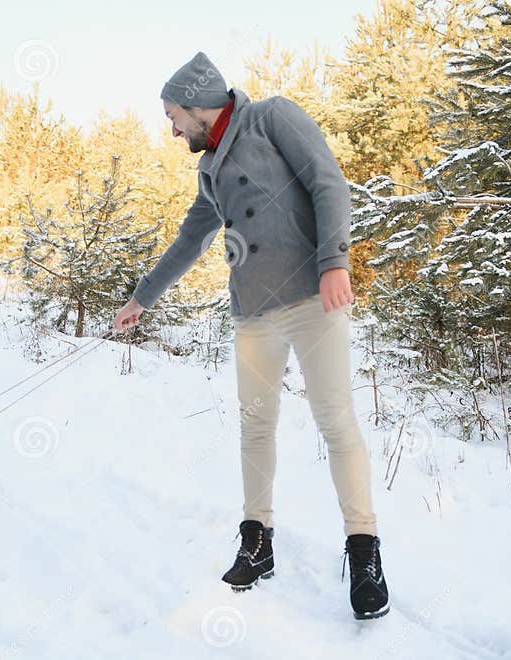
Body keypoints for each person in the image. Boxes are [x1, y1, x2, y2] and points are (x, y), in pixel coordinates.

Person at [112, 52, 389, 619]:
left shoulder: (272, 118)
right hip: (253, 313)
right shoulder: (207, 167)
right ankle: (257, 541)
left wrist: (336, 261)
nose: (172, 129)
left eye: (173, 116)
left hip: (313, 297)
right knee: (255, 427)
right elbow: (191, 239)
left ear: (197, 104)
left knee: (335, 420)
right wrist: (143, 296)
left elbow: (328, 183)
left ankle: (364, 552)